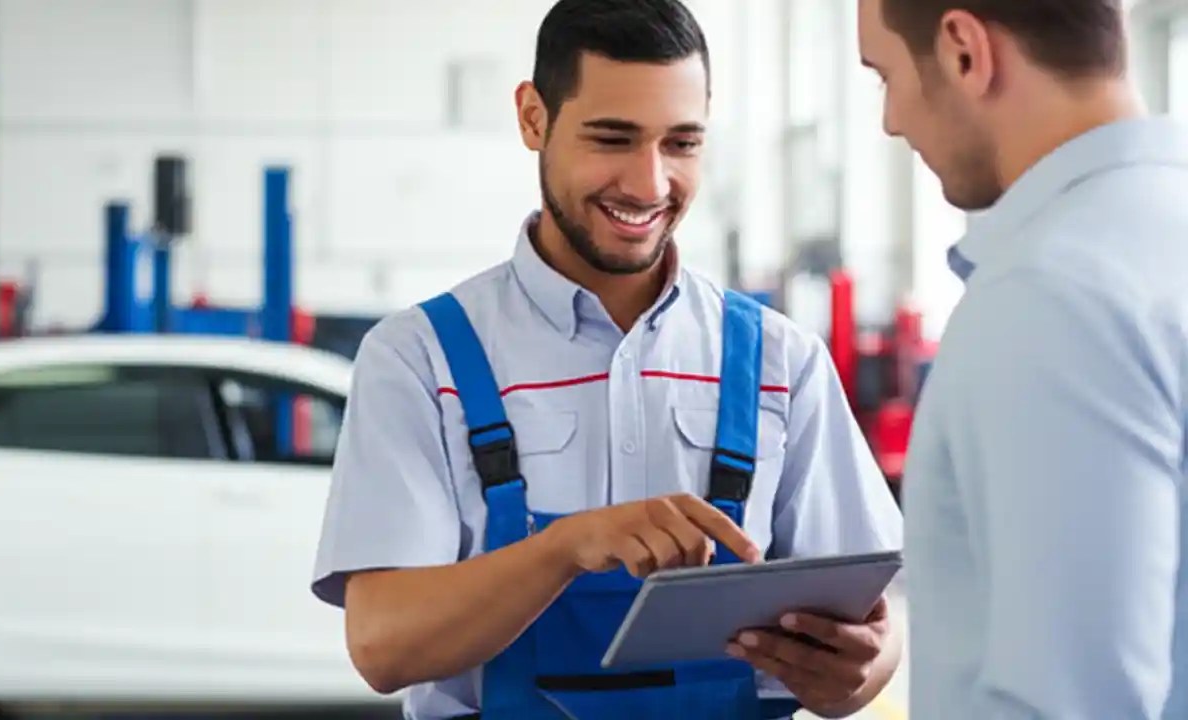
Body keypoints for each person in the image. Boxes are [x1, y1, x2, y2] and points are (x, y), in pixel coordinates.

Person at [312, 1, 903, 718]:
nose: (649, 184)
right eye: (612, 138)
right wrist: (565, 548)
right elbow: (382, 647)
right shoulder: (418, 359)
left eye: (681, 144)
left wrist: (862, 668)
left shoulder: (783, 363)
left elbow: (872, 629)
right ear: (534, 118)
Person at [858, 0, 1188, 716]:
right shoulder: (1161, 237)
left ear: (964, 51)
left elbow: (1072, 701)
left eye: (885, 77)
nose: (890, 121)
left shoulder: (1053, 293)